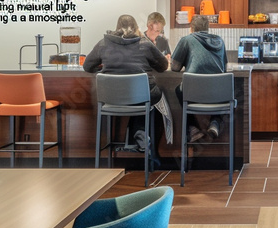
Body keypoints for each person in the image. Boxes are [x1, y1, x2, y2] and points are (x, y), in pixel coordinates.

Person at [83, 14, 170, 156]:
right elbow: (163, 66)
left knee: (143, 97)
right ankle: (146, 143)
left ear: (116, 28)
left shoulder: (104, 43)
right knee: (155, 97)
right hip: (139, 97)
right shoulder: (144, 43)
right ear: (136, 28)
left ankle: (136, 138)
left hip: (110, 97)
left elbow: (87, 66)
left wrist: (103, 69)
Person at [171, 15, 228, 143]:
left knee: (178, 90)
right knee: (227, 93)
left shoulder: (187, 40)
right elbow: (224, 68)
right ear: (208, 28)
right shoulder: (219, 40)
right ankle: (215, 122)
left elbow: (174, 67)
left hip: (194, 93)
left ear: (191, 28)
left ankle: (192, 129)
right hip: (218, 93)